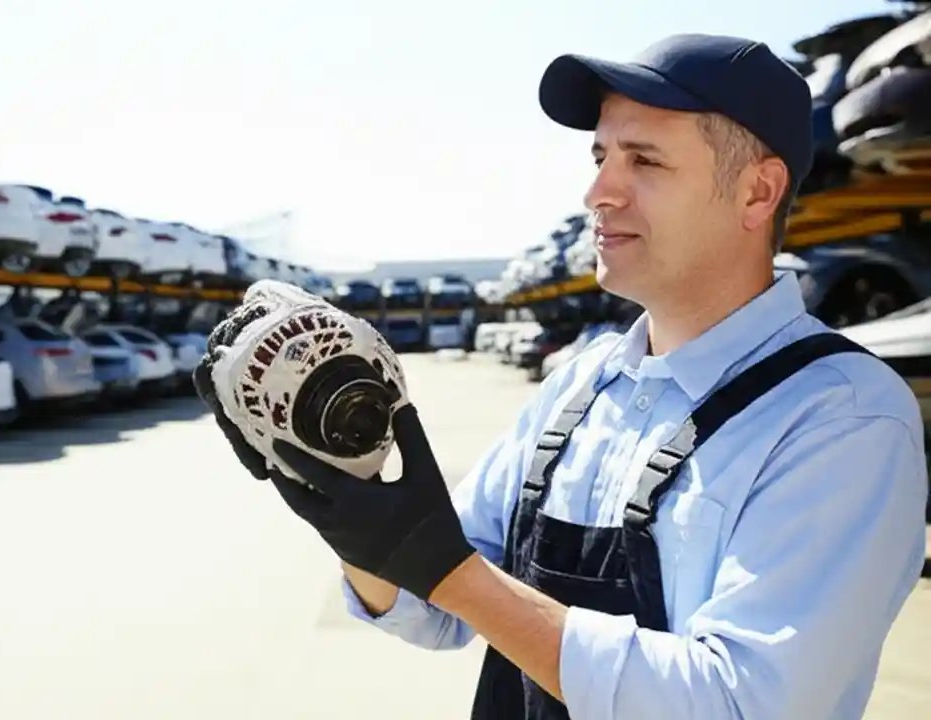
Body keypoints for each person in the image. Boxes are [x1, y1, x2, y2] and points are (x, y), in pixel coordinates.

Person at [195, 33, 929, 720]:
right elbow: (439, 609)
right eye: (600, 158)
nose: (599, 193)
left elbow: (740, 703)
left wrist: (448, 570)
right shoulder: (581, 387)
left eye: (644, 161)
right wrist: (349, 505)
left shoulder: (843, 416)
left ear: (757, 193)